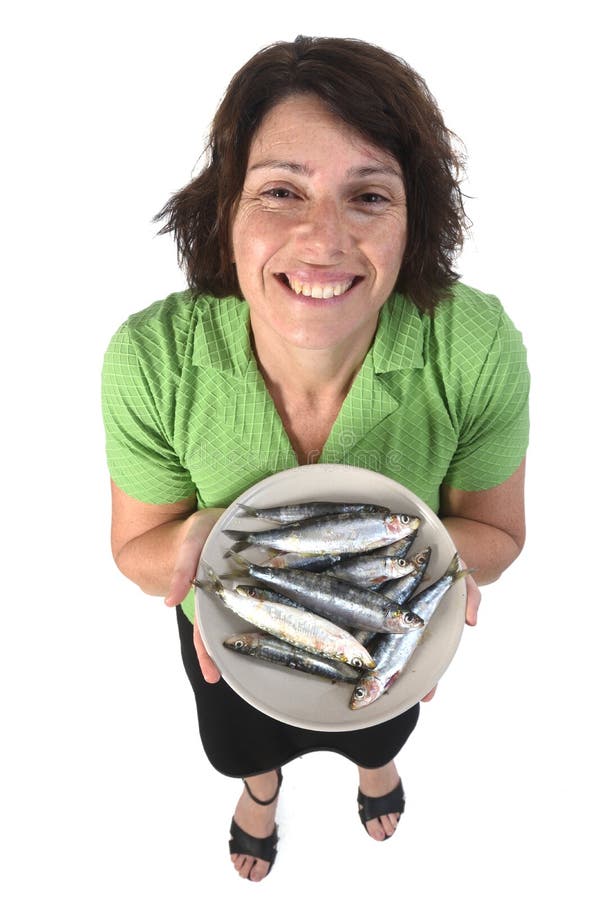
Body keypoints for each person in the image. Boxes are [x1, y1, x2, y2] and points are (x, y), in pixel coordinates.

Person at [102, 36, 529, 882]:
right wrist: (190, 544)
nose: (321, 237)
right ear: (226, 210)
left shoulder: (475, 345)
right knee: (237, 742)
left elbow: (497, 535)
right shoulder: (152, 359)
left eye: (368, 195)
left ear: (416, 223)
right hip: (230, 641)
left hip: (388, 644)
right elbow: (136, 551)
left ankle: (376, 768)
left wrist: (430, 568)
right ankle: (260, 792)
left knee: (380, 722)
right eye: (280, 191)